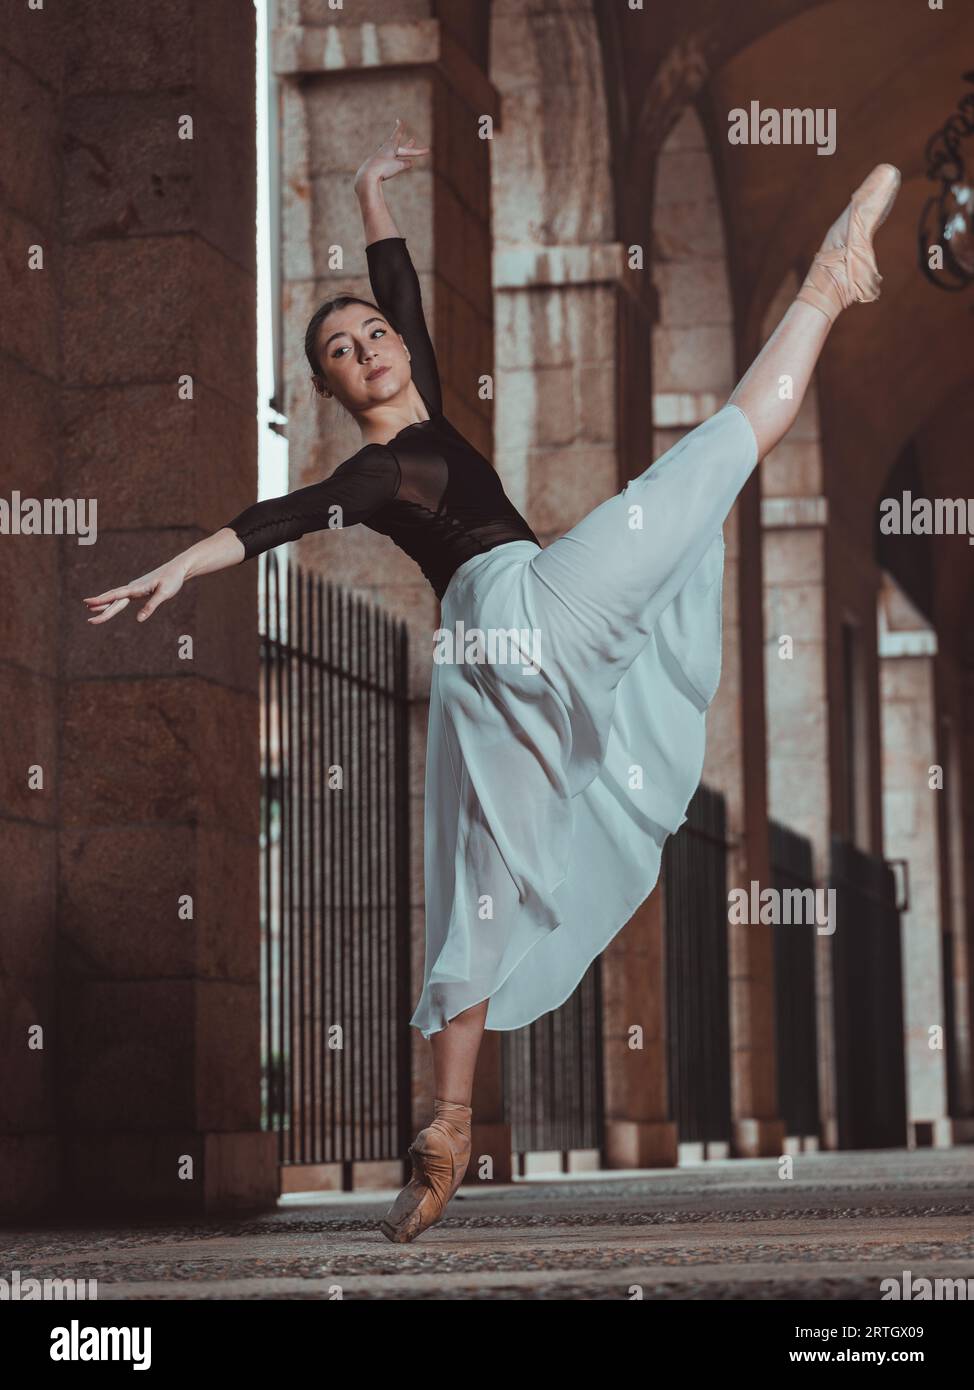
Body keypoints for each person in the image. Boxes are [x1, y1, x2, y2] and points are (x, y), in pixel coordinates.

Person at [84, 120, 900, 1245]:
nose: (369, 347)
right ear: (330, 387)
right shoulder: (370, 474)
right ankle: (448, 1132)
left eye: (374, 336)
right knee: (477, 887)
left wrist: (369, 189)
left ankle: (827, 276)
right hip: (488, 651)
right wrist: (176, 565)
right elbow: (269, 522)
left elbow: (395, 282)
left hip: (538, 603)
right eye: (342, 352)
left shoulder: (421, 402)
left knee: (713, 455)